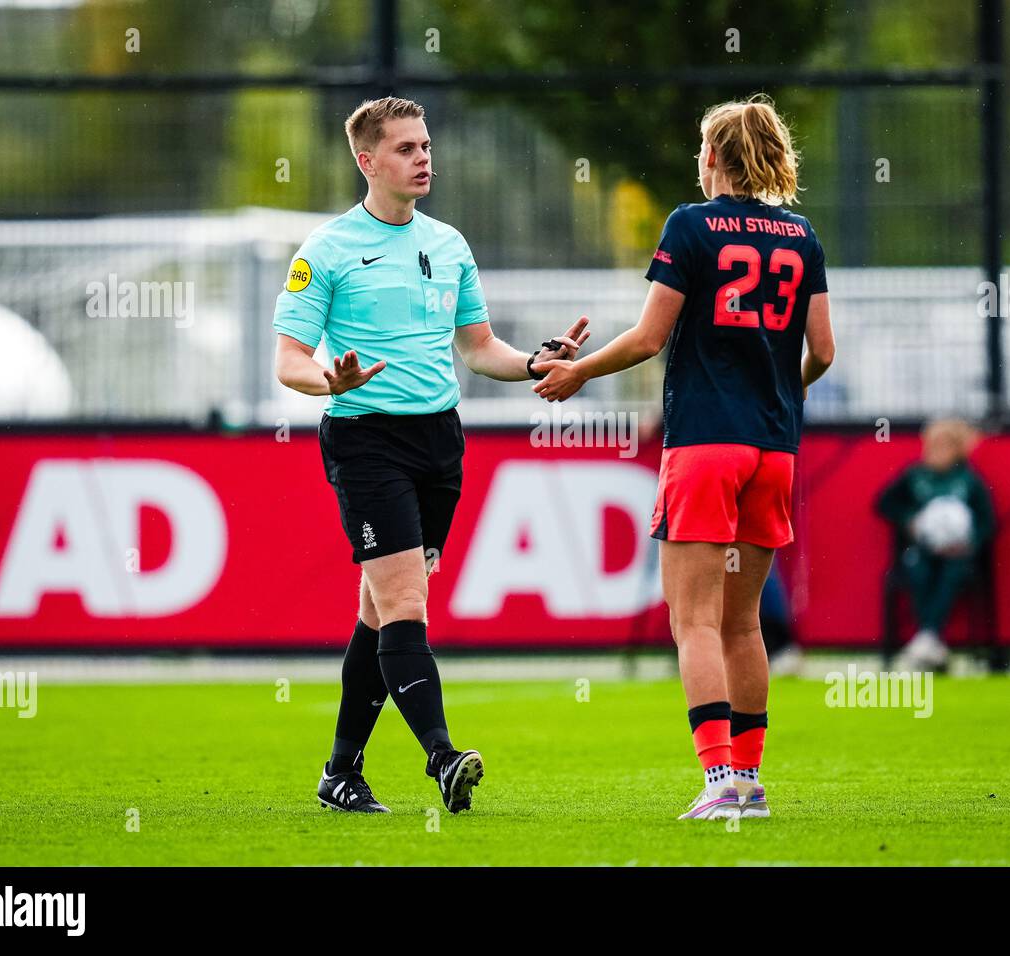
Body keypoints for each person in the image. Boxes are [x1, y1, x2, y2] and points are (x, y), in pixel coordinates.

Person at [273, 97, 588, 814]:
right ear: (367, 161)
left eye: (426, 145)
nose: (424, 158)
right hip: (366, 439)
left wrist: (537, 362)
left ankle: (340, 773)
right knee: (406, 603)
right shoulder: (324, 249)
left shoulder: (448, 244)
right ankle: (443, 758)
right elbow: (288, 360)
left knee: (381, 613)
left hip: (440, 442)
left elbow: (480, 349)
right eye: (407, 148)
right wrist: (330, 379)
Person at [532, 94, 834, 821]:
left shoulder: (690, 226)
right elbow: (822, 351)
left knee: (692, 621)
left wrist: (576, 372)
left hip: (705, 443)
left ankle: (717, 780)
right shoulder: (802, 235)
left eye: (702, 150)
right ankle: (752, 783)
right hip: (774, 449)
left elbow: (645, 338)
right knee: (744, 624)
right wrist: (773, 393)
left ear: (714, 158)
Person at [876, 418, 995, 672]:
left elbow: (987, 522)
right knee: (918, 568)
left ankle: (927, 638)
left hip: (957, 554)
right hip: (920, 548)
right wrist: (910, 521)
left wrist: (969, 543)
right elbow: (884, 504)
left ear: (959, 448)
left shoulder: (969, 480)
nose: (937, 449)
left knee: (953, 573)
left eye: (946, 444)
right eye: (933, 443)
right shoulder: (915, 475)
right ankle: (931, 641)